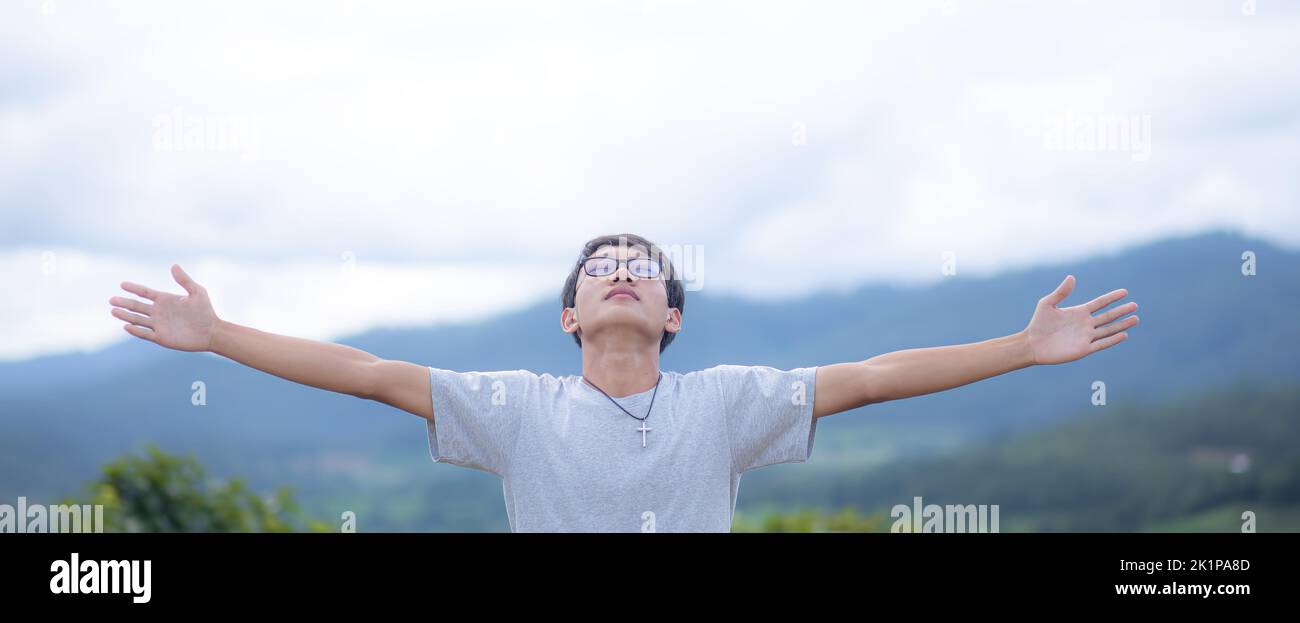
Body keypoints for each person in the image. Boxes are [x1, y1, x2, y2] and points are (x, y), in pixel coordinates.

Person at [109, 233, 1139, 532]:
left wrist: (1018, 345)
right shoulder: (513, 408)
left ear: (670, 314)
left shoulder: (725, 401)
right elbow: (368, 371)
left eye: (641, 264)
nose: (620, 268)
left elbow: (870, 376)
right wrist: (218, 334)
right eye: (598, 263)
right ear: (570, 315)